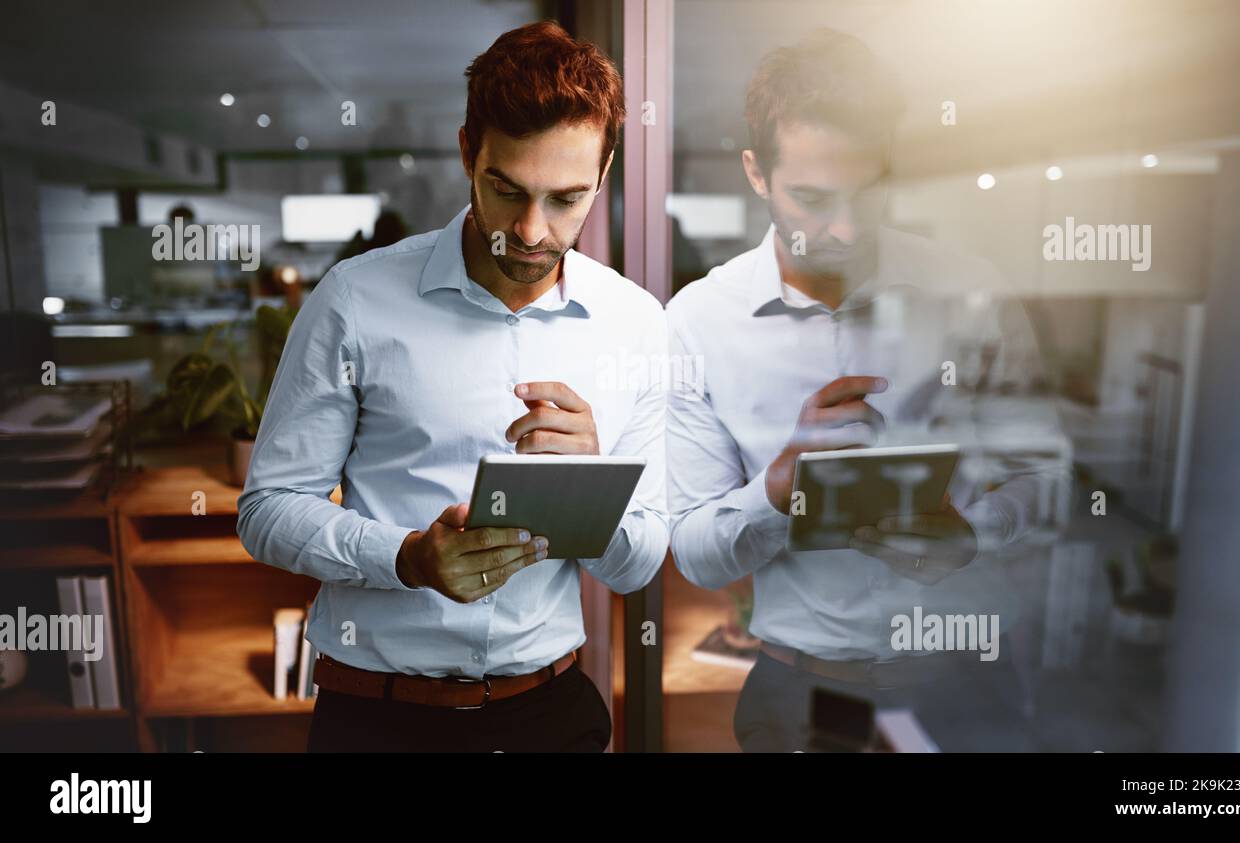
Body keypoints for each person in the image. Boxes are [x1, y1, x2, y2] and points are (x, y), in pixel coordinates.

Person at [237, 21, 667, 753]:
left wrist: (592, 484)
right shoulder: (354, 300)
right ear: (469, 152)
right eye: (507, 189)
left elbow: (637, 565)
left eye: (566, 199)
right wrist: (406, 557)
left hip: (551, 715)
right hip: (378, 720)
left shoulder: (637, 323)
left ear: (604, 174)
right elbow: (268, 510)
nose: (530, 230)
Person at [667, 29, 1069, 752]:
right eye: (812, 198)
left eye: (870, 192)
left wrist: (974, 534)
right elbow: (697, 554)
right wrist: (777, 490)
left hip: (966, 682)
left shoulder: (972, 292)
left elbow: (1049, 476)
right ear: (757, 173)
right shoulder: (697, 322)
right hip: (804, 695)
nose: (847, 230)